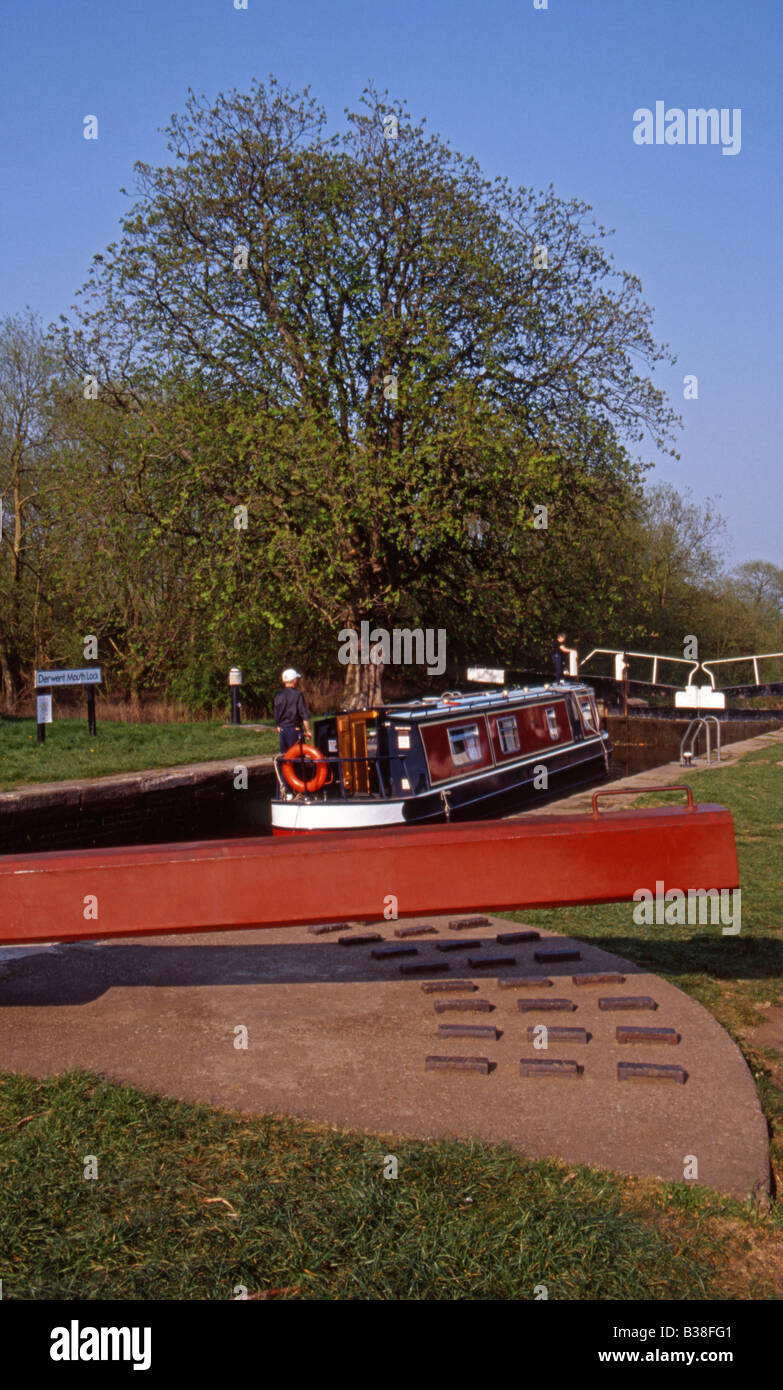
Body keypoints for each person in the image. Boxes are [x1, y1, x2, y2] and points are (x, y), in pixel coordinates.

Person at [273, 668, 313, 753]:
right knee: (297, 757)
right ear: (294, 680)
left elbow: (276, 714)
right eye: (296, 679)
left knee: (286, 757)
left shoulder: (278, 696)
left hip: (283, 731)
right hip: (295, 730)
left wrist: (278, 726)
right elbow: (303, 714)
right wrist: (308, 730)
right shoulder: (298, 695)